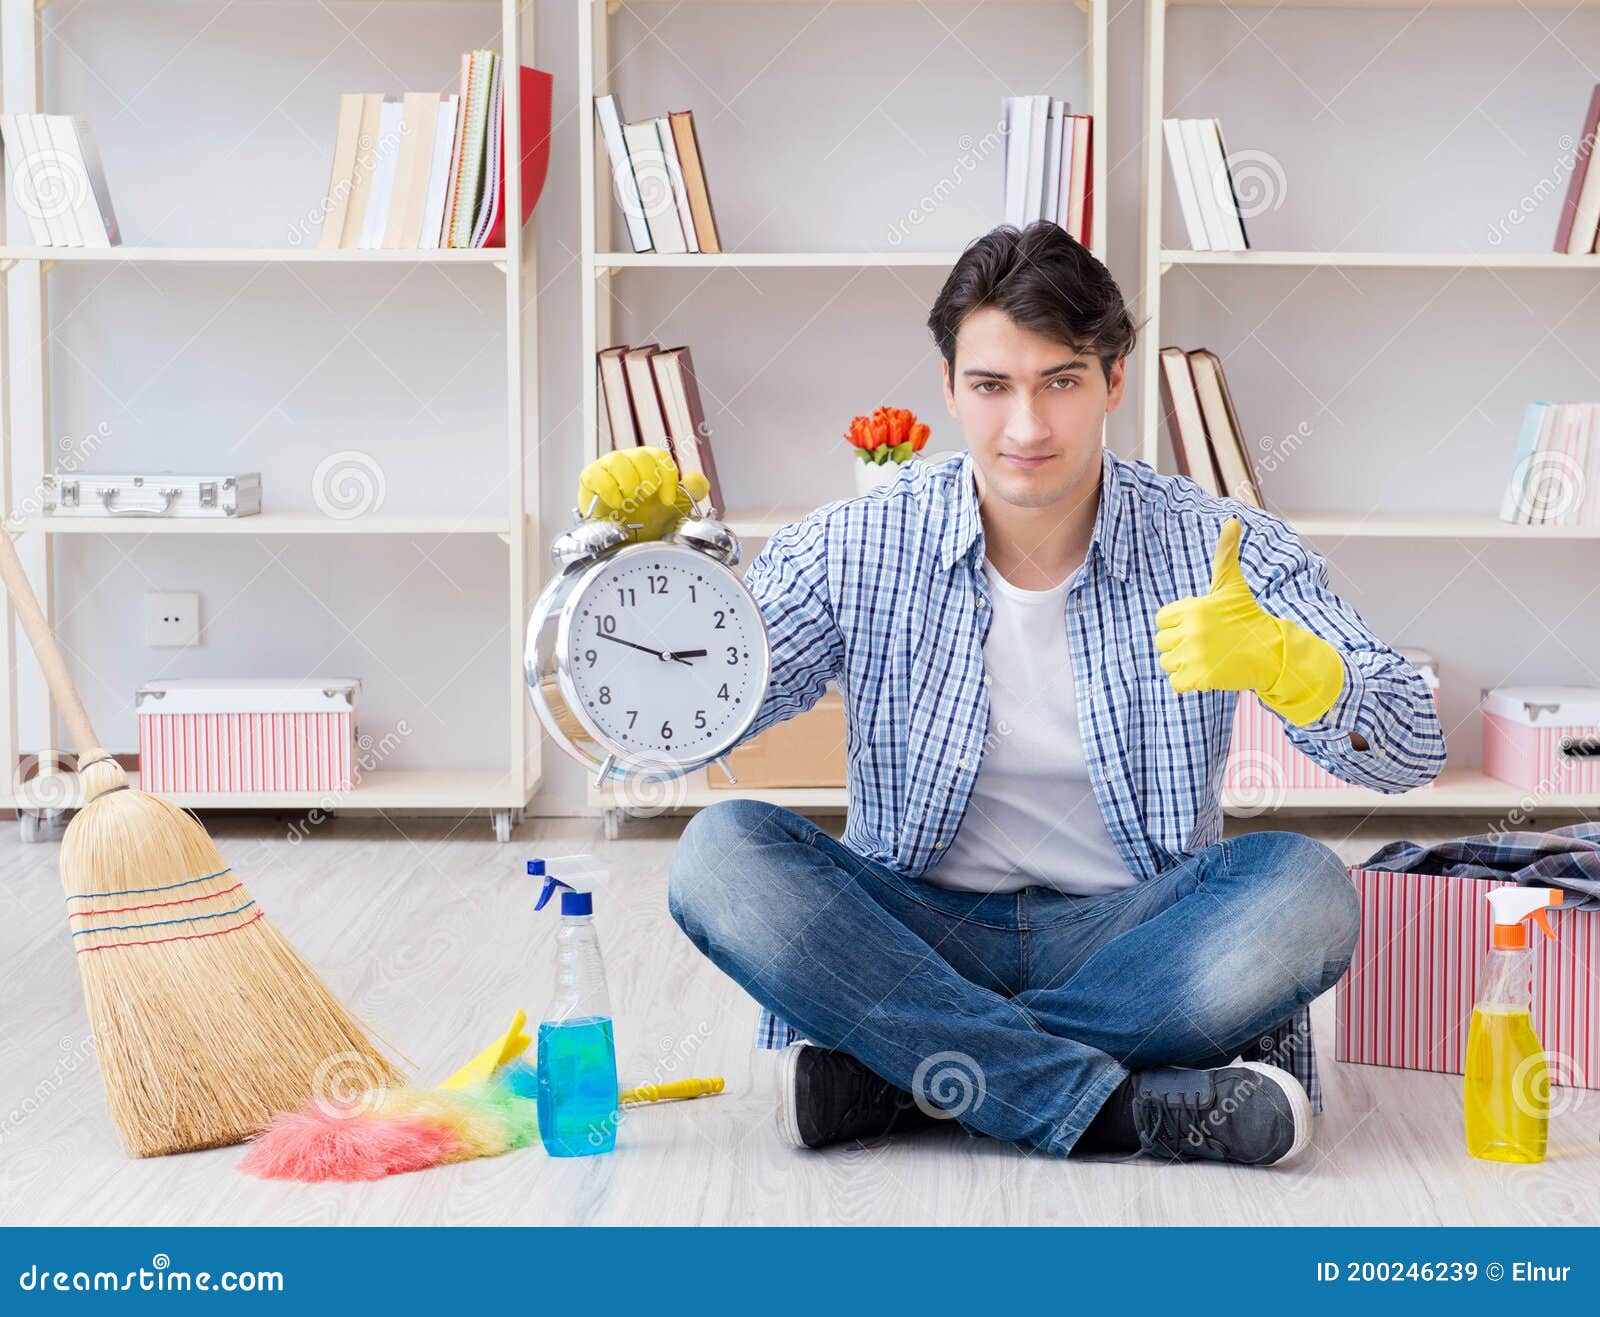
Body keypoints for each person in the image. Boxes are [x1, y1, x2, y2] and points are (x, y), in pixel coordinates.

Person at [576, 222, 1445, 1167]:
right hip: (915, 931)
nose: (1026, 428)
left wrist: (1290, 664)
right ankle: (1118, 1107)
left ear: (1114, 380)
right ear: (949, 387)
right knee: (718, 856)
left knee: (1307, 892)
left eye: (1060, 382)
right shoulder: (856, 542)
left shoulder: (1218, 545)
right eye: (992, 386)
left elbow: (1411, 747)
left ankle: (907, 1077)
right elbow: (699, 723)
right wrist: (652, 579)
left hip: (1136, 936)